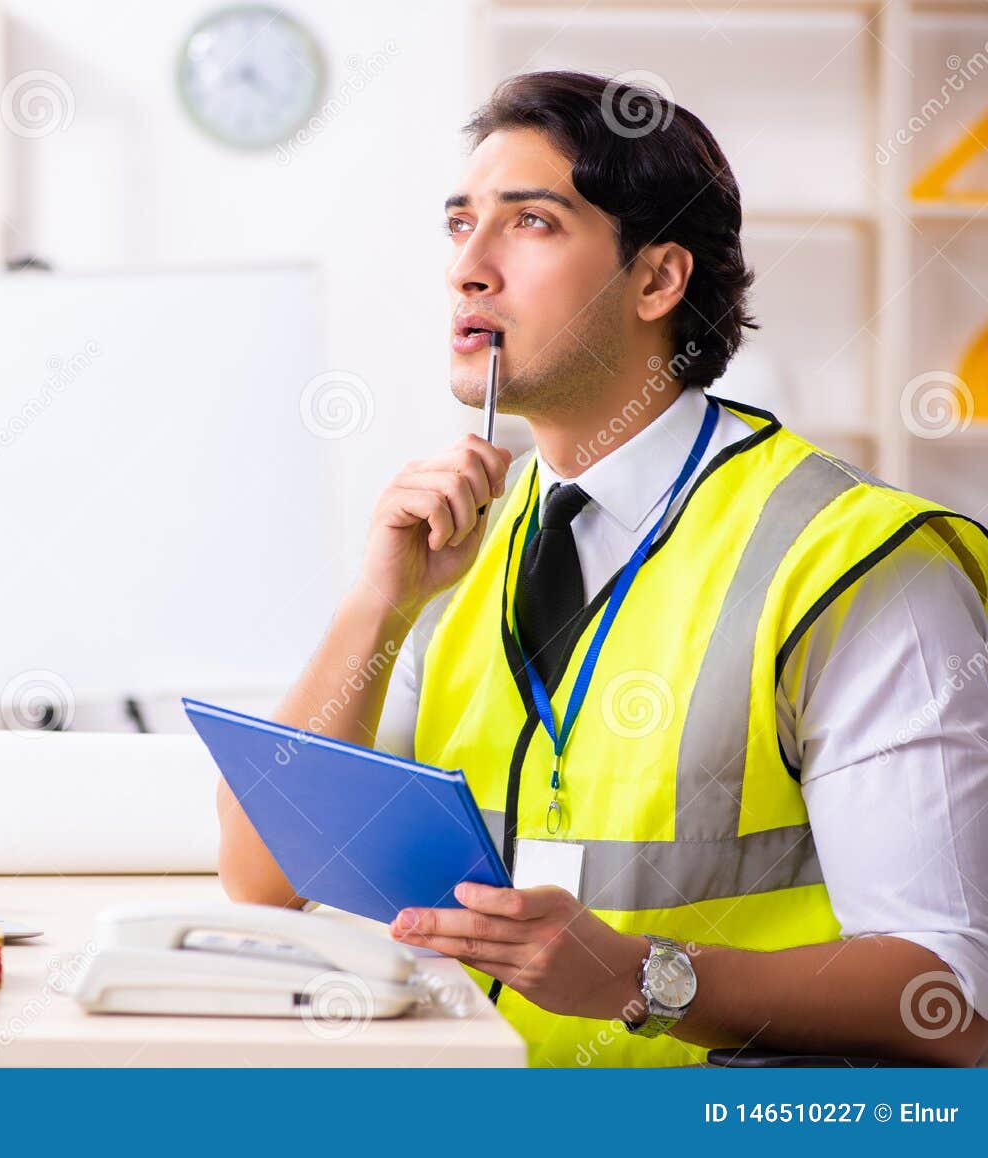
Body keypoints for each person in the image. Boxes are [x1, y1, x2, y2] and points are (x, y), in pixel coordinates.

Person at [215, 71, 988, 1067]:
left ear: (657, 281)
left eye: (530, 223)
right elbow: (266, 874)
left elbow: (944, 994)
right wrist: (377, 605)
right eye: (460, 226)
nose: (468, 270)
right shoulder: (457, 540)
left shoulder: (856, 562)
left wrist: (639, 977)